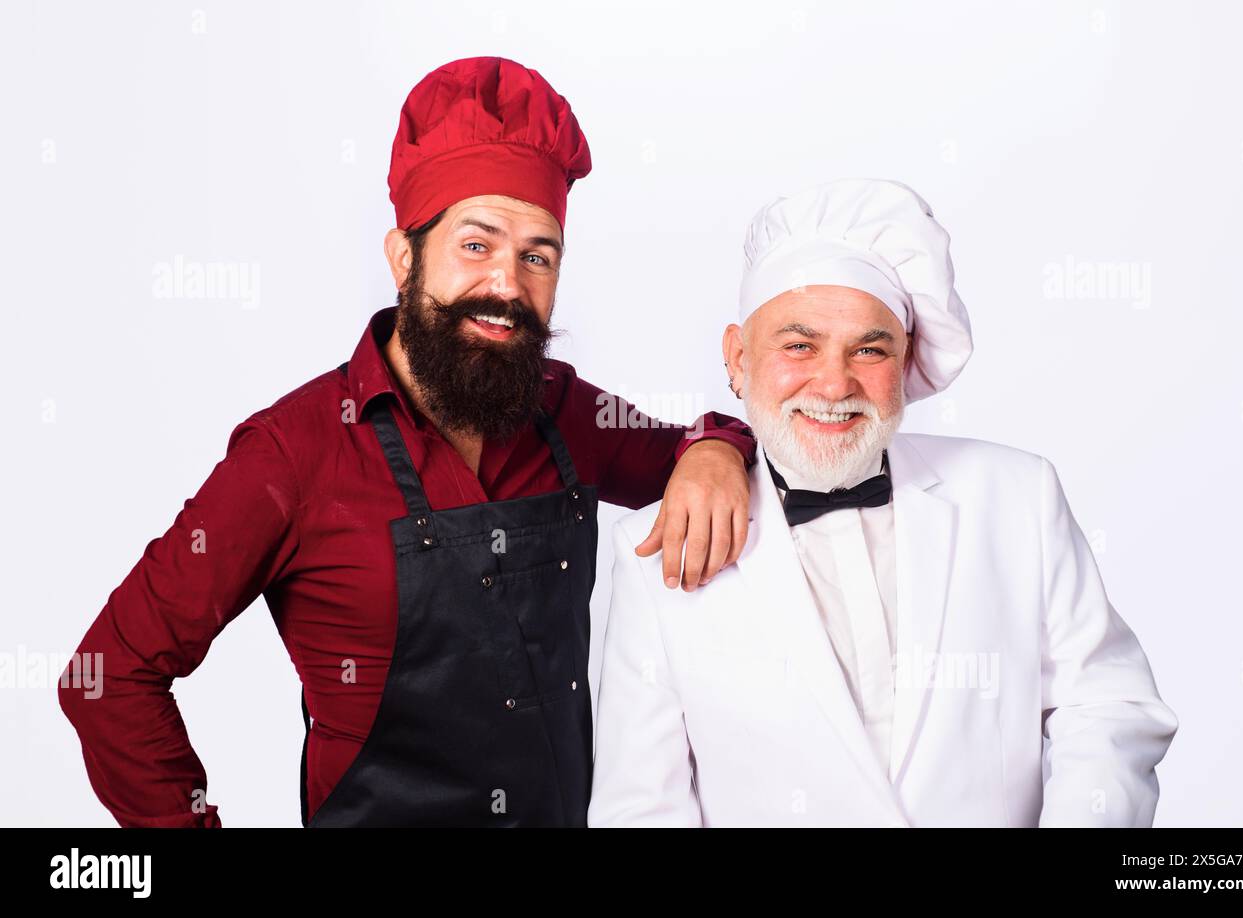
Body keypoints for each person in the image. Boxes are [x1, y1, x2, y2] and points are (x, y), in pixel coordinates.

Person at [59, 57, 757, 828]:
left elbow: (693, 448)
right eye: (476, 246)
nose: (507, 286)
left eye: (537, 256)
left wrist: (717, 449)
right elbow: (106, 676)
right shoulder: (292, 454)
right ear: (403, 257)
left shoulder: (564, 413)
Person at [588, 178, 1178, 827]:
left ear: (906, 358)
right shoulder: (655, 551)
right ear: (738, 357)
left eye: (870, 349)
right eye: (799, 345)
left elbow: (1107, 707)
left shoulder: (1018, 497)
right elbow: (640, 809)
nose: (835, 383)